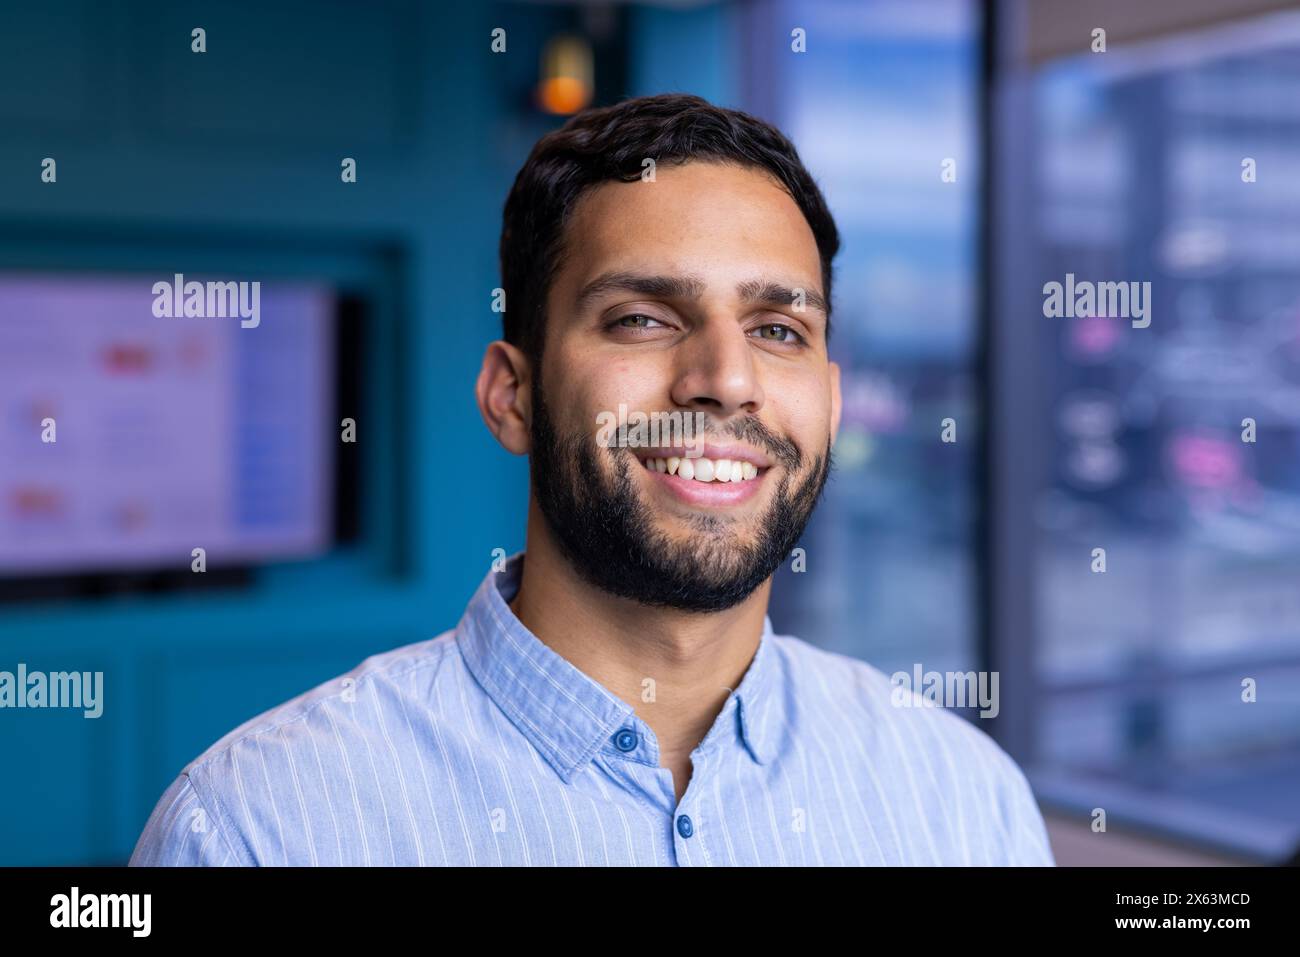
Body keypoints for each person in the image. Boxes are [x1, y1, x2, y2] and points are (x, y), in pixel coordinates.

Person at [130, 93, 1055, 866]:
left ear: (833, 401)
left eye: (778, 330)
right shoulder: (257, 829)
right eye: (644, 318)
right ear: (513, 395)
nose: (726, 380)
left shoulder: (965, 802)